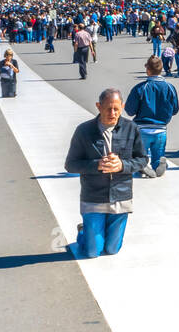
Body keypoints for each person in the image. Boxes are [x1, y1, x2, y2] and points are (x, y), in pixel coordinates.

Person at [64, 88, 150, 259]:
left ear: (122, 107)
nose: (112, 113)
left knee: (111, 250)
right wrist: (97, 165)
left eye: (116, 109)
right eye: (108, 108)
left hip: (121, 195)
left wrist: (122, 165)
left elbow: (142, 159)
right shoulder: (84, 130)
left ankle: (92, 231)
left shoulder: (131, 128)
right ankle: (85, 232)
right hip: (93, 197)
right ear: (98, 106)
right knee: (92, 252)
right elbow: (70, 165)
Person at [124, 56, 179, 174]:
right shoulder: (170, 88)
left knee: (139, 155)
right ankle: (158, 164)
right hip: (161, 129)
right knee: (158, 155)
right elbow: (175, 110)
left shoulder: (141, 87)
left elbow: (130, 110)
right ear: (162, 69)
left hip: (142, 129)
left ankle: (142, 165)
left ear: (147, 69)